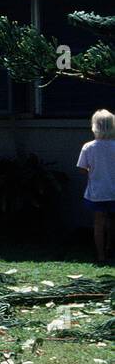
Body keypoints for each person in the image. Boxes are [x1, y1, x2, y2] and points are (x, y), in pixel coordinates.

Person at [77, 109, 115, 264]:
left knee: (98, 224)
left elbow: (81, 168)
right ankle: (110, 248)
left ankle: (100, 255)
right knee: (112, 222)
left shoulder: (89, 147)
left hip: (96, 192)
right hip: (113, 191)